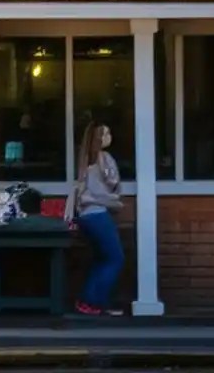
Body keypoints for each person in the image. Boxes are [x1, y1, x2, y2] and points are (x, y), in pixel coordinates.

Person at [74, 122, 124, 316]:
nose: (110, 136)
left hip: (86, 216)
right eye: (107, 133)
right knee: (115, 259)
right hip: (98, 214)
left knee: (101, 259)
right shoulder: (104, 158)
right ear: (100, 138)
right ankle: (93, 301)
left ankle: (90, 303)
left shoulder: (85, 159)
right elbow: (113, 182)